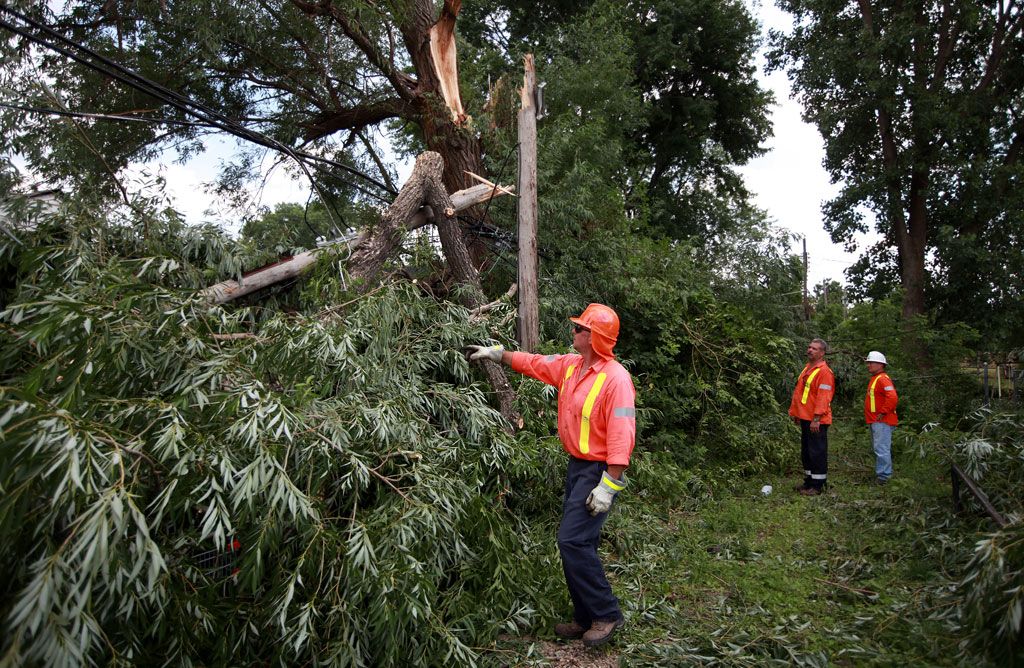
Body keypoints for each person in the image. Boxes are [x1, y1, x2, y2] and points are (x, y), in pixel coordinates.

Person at [467, 303, 636, 648]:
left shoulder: (616, 379)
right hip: (577, 467)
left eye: (579, 329)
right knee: (578, 543)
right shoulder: (573, 367)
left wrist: (609, 485)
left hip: (599, 471)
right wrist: (497, 355)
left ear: (593, 337)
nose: (573, 332)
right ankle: (585, 616)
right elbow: (536, 363)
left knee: (571, 541)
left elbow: (622, 433)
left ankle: (606, 614)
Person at [788, 338, 835, 496]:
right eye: (809, 347)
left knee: (817, 452)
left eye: (814, 349)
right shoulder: (808, 368)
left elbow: (823, 397)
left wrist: (816, 419)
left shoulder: (824, 372)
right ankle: (809, 482)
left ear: (822, 353)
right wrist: (797, 414)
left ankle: (818, 485)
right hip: (806, 417)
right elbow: (801, 394)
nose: (810, 350)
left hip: (817, 420)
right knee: (807, 452)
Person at [864, 351, 898, 485]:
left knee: (881, 449)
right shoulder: (876, 378)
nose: (868, 365)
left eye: (871, 362)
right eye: (868, 363)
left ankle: (884, 478)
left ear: (880, 364)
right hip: (876, 420)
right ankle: (882, 476)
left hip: (882, 421)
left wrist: (883, 412)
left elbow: (893, 397)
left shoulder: (882, 379)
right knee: (879, 448)